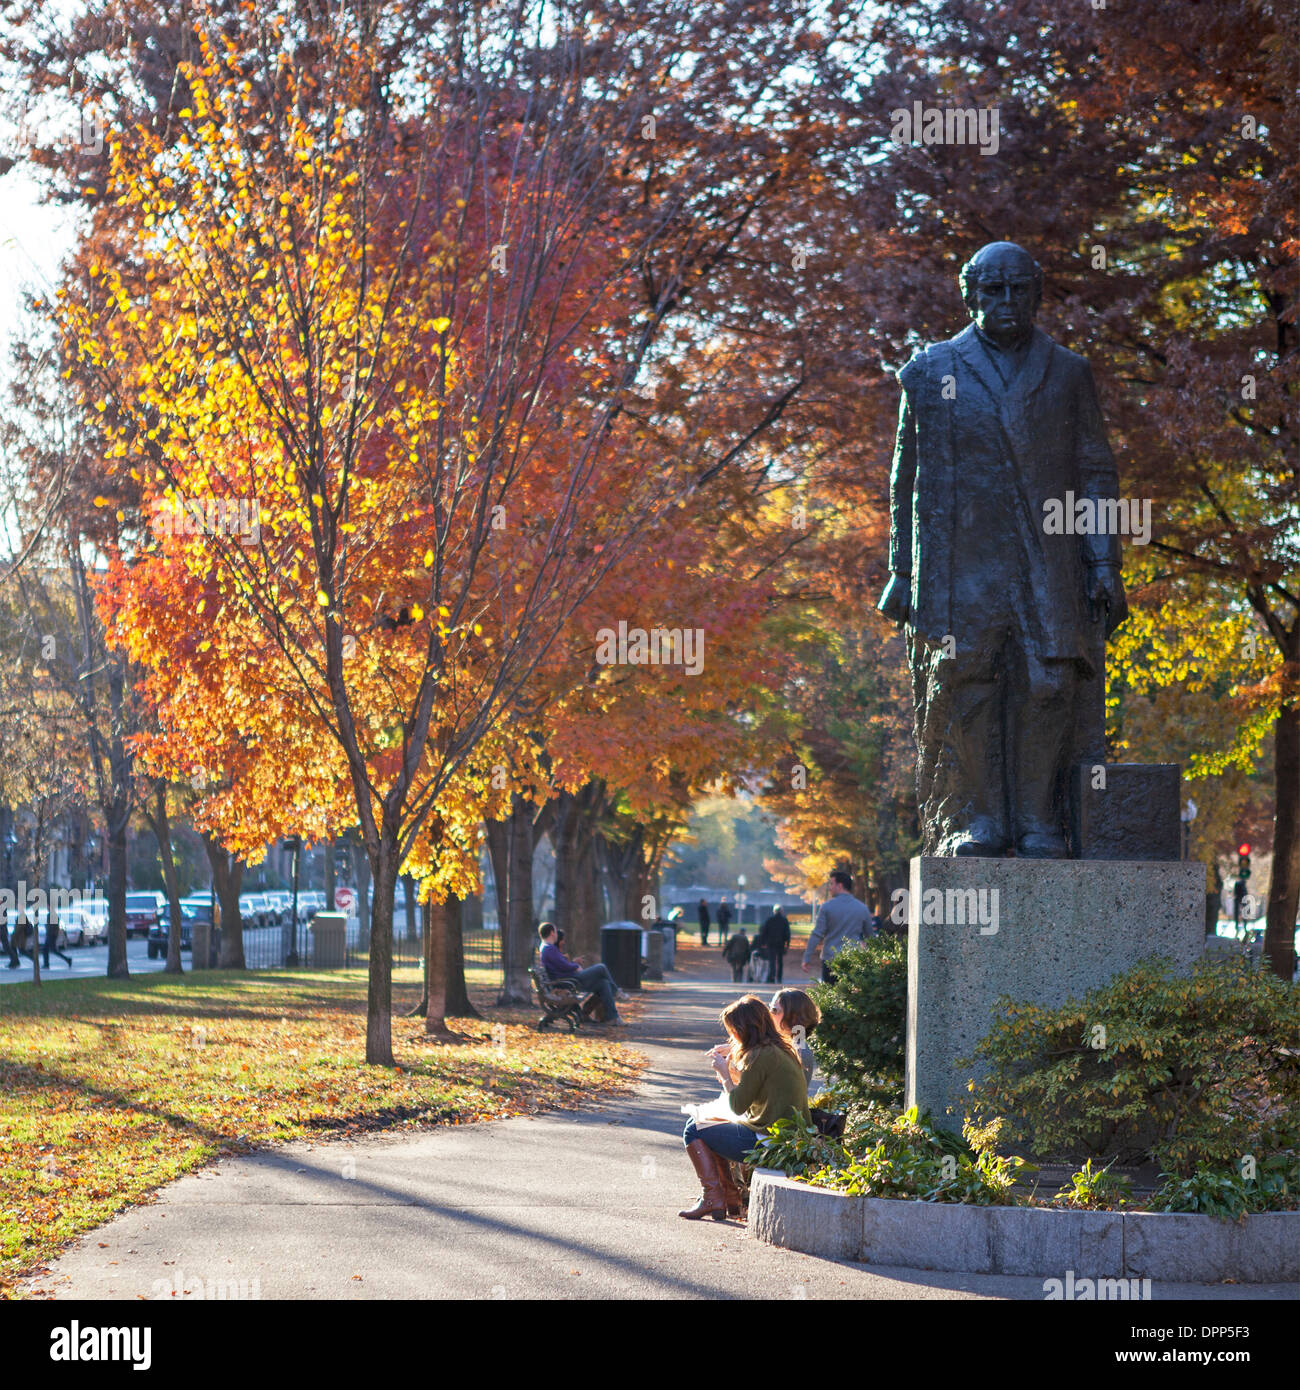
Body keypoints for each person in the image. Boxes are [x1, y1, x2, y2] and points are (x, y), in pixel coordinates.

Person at [680, 995, 810, 1221]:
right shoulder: (778, 1048)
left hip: (770, 1142)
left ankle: (715, 1197)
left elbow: (739, 1105)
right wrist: (733, 1059)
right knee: (702, 1123)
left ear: (744, 1030)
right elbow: (754, 1089)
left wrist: (723, 1074)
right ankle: (727, 1198)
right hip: (787, 1137)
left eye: (733, 1031)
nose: (732, 1036)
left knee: (693, 1129)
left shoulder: (759, 1056)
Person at [536, 922, 627, 1026]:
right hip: (568, 982)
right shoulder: (549, 948)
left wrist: (573, 963)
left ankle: (613, 1018)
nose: (557, 934)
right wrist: (575, 966)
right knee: (601, 967)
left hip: (568, 979)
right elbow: (563, 965)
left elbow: (561, 964)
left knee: (603, 983)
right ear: (552, 933)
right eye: (556, 931)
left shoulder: (546, 947)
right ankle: (616, 991)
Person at [802, 870, 874, 984]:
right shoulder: (862, 908)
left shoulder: (827, 907)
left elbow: (817, 934)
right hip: (853, 957)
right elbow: (870, 935)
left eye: (831, 884)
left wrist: (807, 957)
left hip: (830, 958)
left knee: (830, 994)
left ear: (840, 885)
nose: (829, 888)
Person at [769, 988, 821, 1088]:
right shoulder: (792, 1042)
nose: (770, 1014)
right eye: (770, 1008)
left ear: (793, 1017)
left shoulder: (799, 1050)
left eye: (774, 1010)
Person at [757, 906, 791, 983]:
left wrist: (763, 942)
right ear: (781, 911)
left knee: (772, 961)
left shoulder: (770, 920)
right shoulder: (784, 920)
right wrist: (787, 944)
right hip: (780, 943)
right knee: (780, 961)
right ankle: (779, 977)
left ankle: (772, 976)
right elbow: (787, 933)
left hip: (771, 943)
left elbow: (764, 932)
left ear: (774, 911)